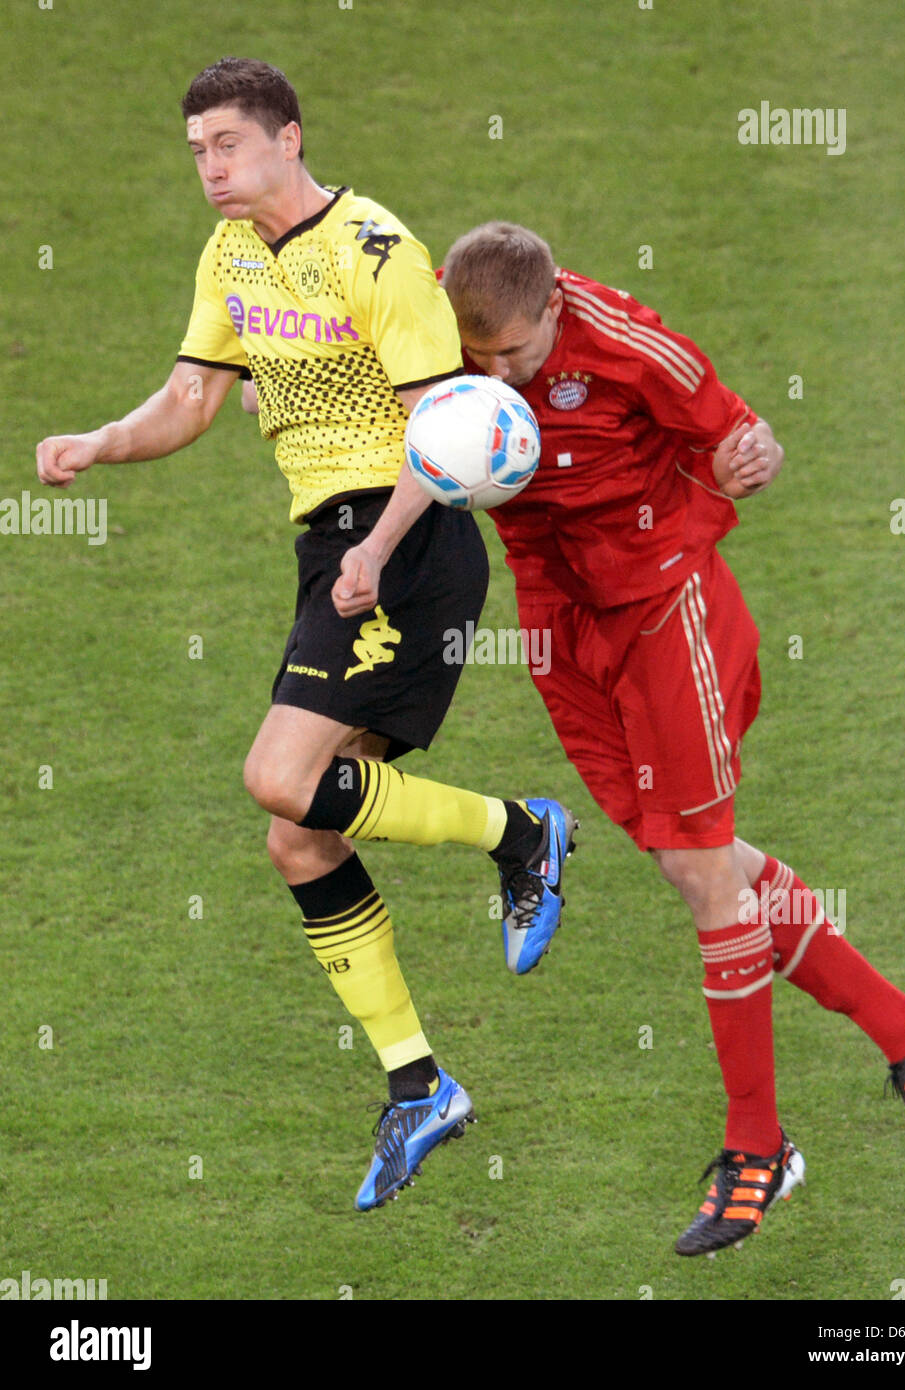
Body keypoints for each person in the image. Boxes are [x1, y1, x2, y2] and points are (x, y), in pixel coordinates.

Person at [34, 65, 577, 1214]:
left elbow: (450, 428)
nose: (212, 168)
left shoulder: (374, 249)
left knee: (277, 777)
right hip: (332, 556)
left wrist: (375, 552)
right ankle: (420, 1084)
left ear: (290, 137)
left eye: (229, 144)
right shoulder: (231, 258)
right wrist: (101, 439)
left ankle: (521, 834)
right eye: (196, 150)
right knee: (301, 838)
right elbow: (190, 397)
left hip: (405, 544)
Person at [414, 221, 905, 1257]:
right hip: (558, 623)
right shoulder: (446, 327)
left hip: (667, 612)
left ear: (556, 313)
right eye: (478, 356)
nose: (497, 375)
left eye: (518, 357)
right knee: (694, 862)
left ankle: (759, 1150)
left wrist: (758, 453)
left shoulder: (628, 342)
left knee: (709, 880)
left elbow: (742, 436)